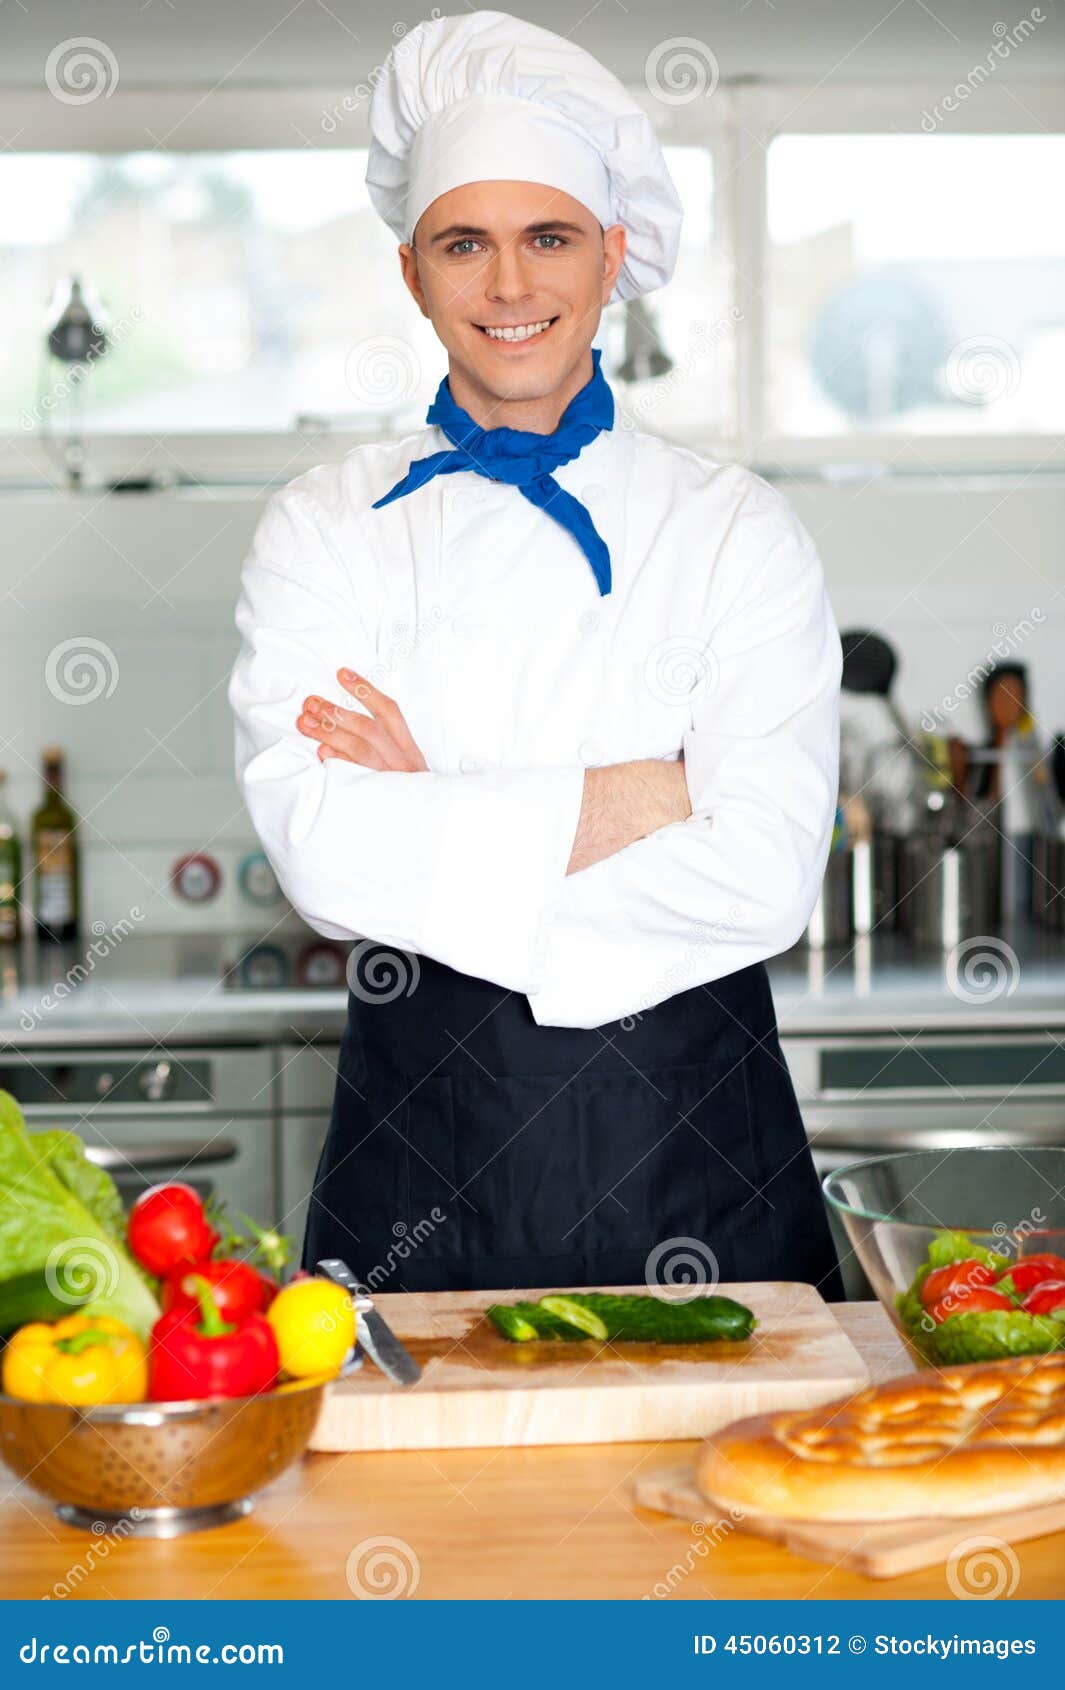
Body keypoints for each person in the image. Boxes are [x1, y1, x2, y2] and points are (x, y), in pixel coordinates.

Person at [229, 10, 845, 1299]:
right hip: (420, 1160)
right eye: (467, 244)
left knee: (733, 1490)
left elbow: (767, 876)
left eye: (548, 238)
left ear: (611, 255)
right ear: (413, 271)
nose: (510, 290)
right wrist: (652, 789)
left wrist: (433, 816)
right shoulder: (324, 527)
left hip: (699, 1153)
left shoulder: (734, 528)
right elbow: (326, 862)